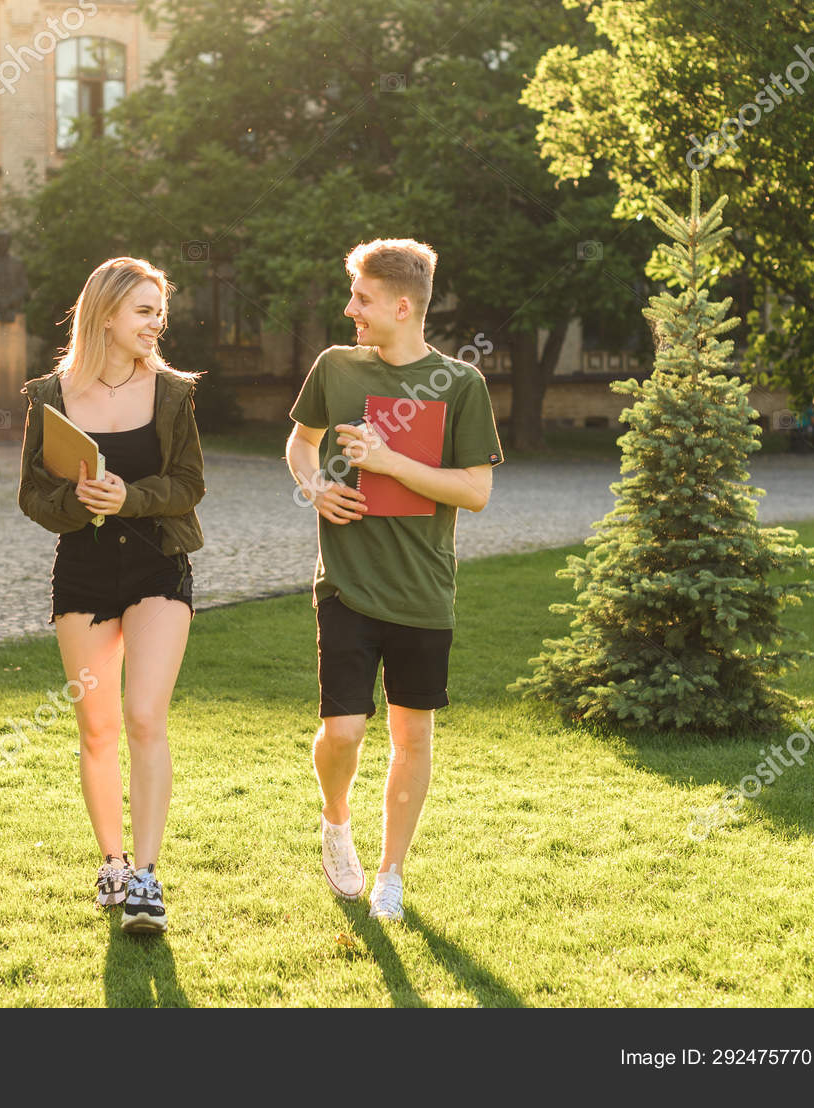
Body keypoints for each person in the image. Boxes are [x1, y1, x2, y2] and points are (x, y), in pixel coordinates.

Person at [285, 239, 504, 922]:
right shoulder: (335, 368)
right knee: (344, 731)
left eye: (362, 299)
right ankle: (336, 819)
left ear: (402, 306)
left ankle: (391, 874)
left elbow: (475, 492)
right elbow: (299, 442)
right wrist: (315, 484)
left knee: (412, 740)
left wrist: (385, 461)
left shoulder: (461, 384)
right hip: (346, 585)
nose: (350, 309)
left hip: (422, 591)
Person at [17, 257, 206, 936]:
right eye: (145, 311)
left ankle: (149, 880)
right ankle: (114, 862)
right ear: (105, 315)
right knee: (95, 728)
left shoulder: (173, 393)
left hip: (159, 564)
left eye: (160, 311)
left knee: (144, 716)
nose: (158, 323)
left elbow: (188, 485)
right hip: (85, 574)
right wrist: (78, 499)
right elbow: (33, 496)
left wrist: (130, 498)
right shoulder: (49, 396)